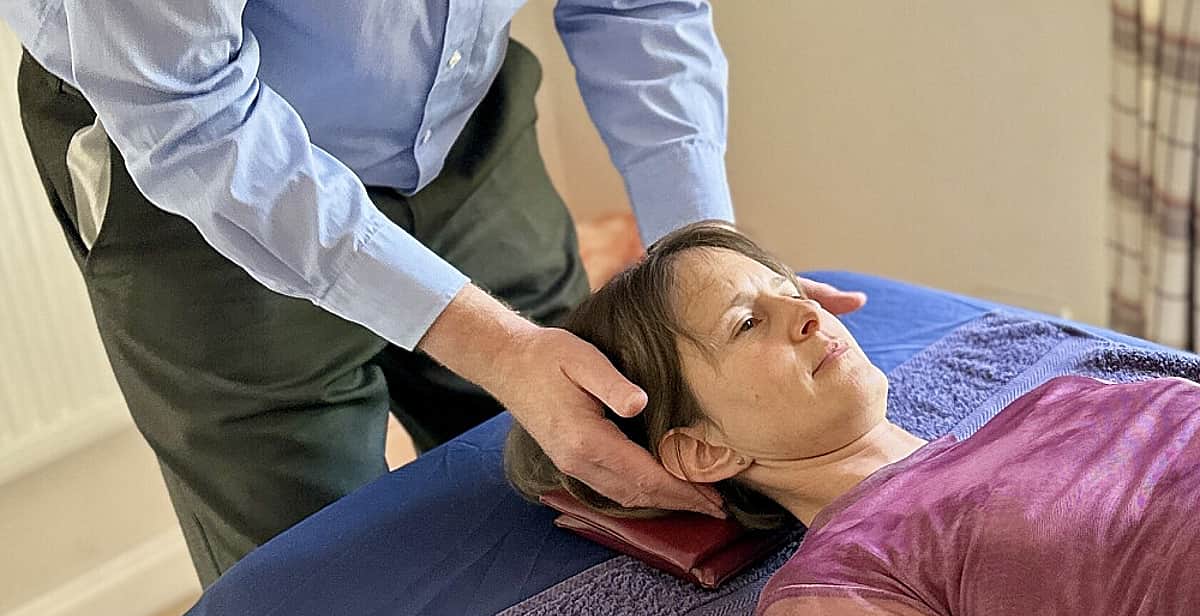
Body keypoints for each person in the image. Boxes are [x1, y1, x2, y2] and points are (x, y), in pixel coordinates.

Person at [1, 0, 868, 586]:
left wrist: (706, 262)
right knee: (323, 590)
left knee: (582, 475)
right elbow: (192, 119)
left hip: (462, 118)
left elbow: (637, 6)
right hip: (193, 175)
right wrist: (497, 345)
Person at [505, 222, 1200, 616]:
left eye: (788, 292)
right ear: (704, 450)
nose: (810, 313)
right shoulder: (832, 599)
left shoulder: (1060, 397)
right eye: (748, 323)